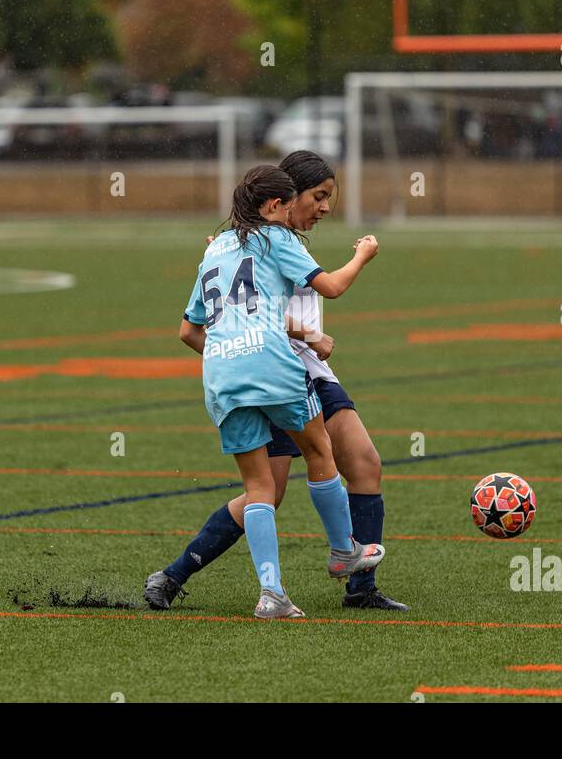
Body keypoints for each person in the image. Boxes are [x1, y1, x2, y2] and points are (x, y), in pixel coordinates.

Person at [145, 151, 408, 612]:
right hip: (282, 368)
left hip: (275, 372)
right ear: (283, 198)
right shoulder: (272, 240)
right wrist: (309, 331)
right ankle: (174, 574)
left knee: (363, 463)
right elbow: (263, 311)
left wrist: (236, 351)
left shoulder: (245, 241)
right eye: (317, 197)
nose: (324, 208)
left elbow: (222, 317)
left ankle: (358, 587)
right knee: (273, 487)